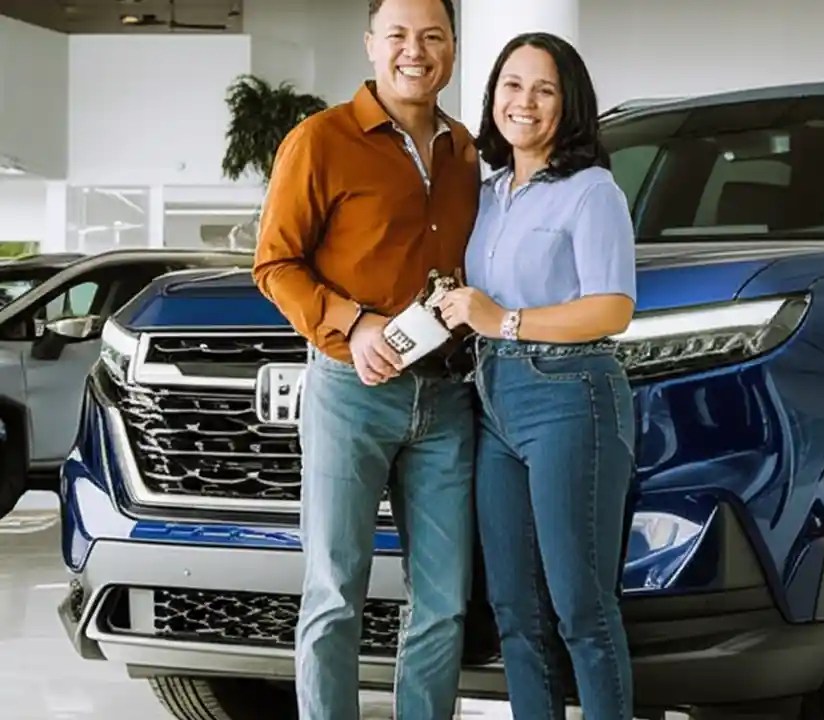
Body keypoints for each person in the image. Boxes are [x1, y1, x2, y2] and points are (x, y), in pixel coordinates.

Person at [251, 0, 479, 717]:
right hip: (351, 391)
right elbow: (274, 264)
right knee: (334, 592)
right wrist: (353, 323)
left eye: (433, 36)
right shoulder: (320, 140)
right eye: (400, 36)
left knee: (443, 602)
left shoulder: (466, 151)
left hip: (446, 400)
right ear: (371, 46)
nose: (417, 51)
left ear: (452, 49)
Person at [437, 31, 638, 720]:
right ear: (493, 96)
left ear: (568, 103)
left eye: (544, 89)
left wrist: (506, 320)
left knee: (581, 604)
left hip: (570, 395)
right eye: (512, 86)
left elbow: (612, 307)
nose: (524, 102)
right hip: (493, 399)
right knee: (515, 610)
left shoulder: (592, 192)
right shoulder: (489, 194)